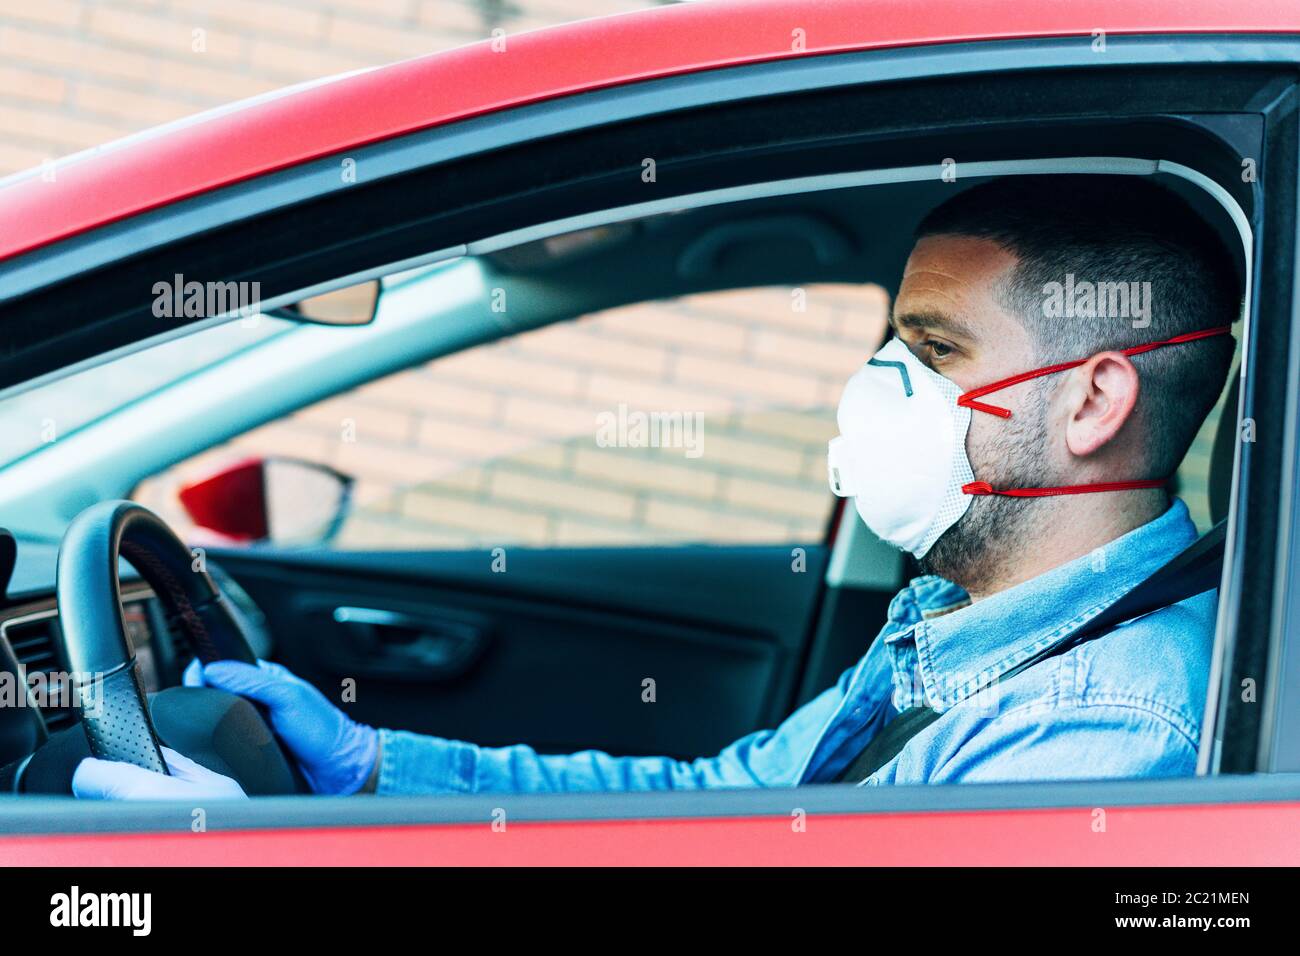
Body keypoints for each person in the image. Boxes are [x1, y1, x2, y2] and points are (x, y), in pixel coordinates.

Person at [73, 175, 1240, 799]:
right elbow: (721, 797)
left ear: (1092, 401)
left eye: (931, 351)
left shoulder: (1104, 722)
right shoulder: (964, 622)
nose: (876, 387)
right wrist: (373, 767)